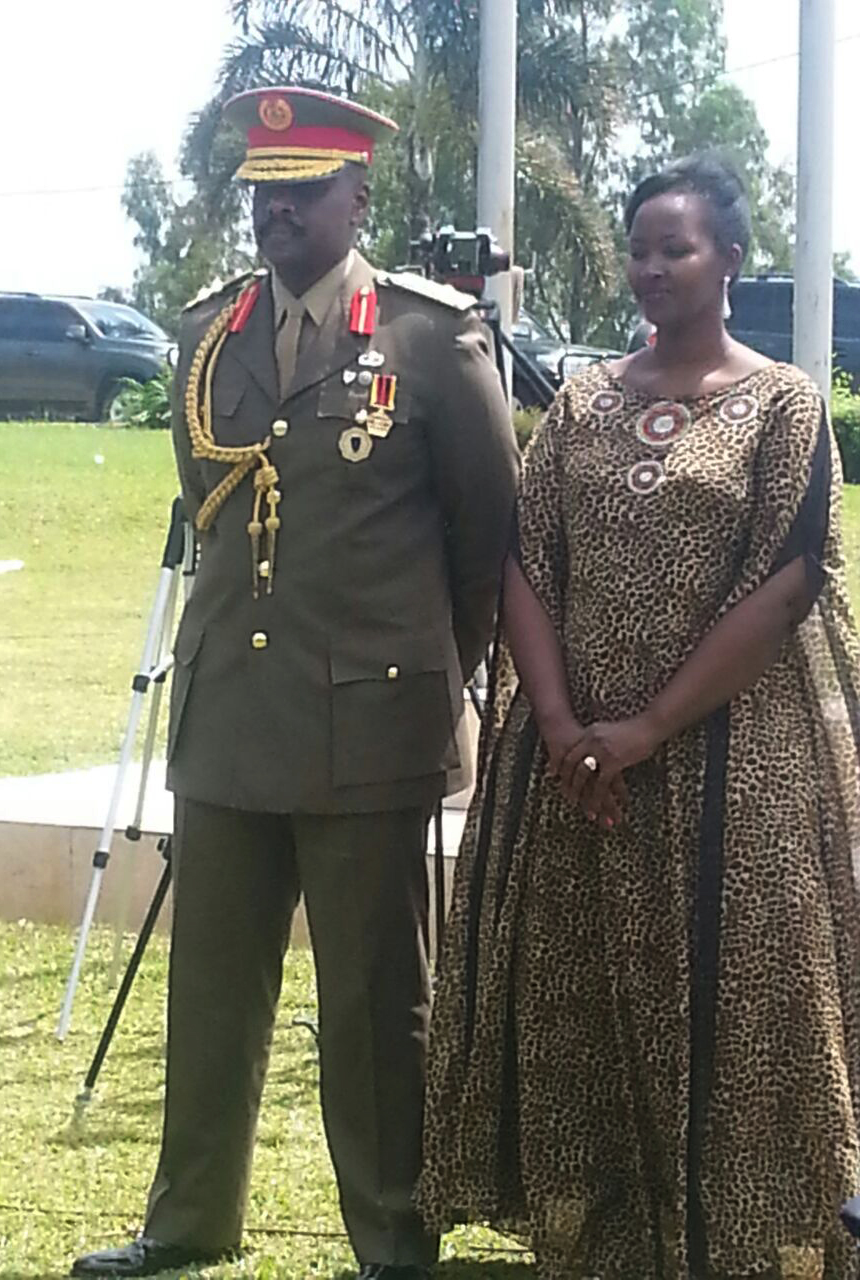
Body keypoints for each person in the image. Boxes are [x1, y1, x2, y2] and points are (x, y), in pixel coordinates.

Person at [72, 86, 518, 1279]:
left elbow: (487, 542)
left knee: (376, 1006)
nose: (278, 214)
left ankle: (390, 1234)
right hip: (229, 719)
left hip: (371, 723)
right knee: (213, 992)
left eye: (305, 192)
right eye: (265, 194)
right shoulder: (209, 333)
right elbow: (213, 510)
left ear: (359, 196)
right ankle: (187, 1221)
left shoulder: (432, 338)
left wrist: (435, 683)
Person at [417, 153, 860, 1279]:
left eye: (680, 247)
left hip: (735, 768)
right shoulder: (579, 401)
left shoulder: (784, 407)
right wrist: (563, 724)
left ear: (730, 260)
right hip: (575, 776)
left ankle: (745, 1239)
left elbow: (789, 579)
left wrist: (651, 726)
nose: (654, 267)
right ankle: (608, 1235)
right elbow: (527, 560)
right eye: (641, 247)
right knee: (582, 996)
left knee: (743, 1002)